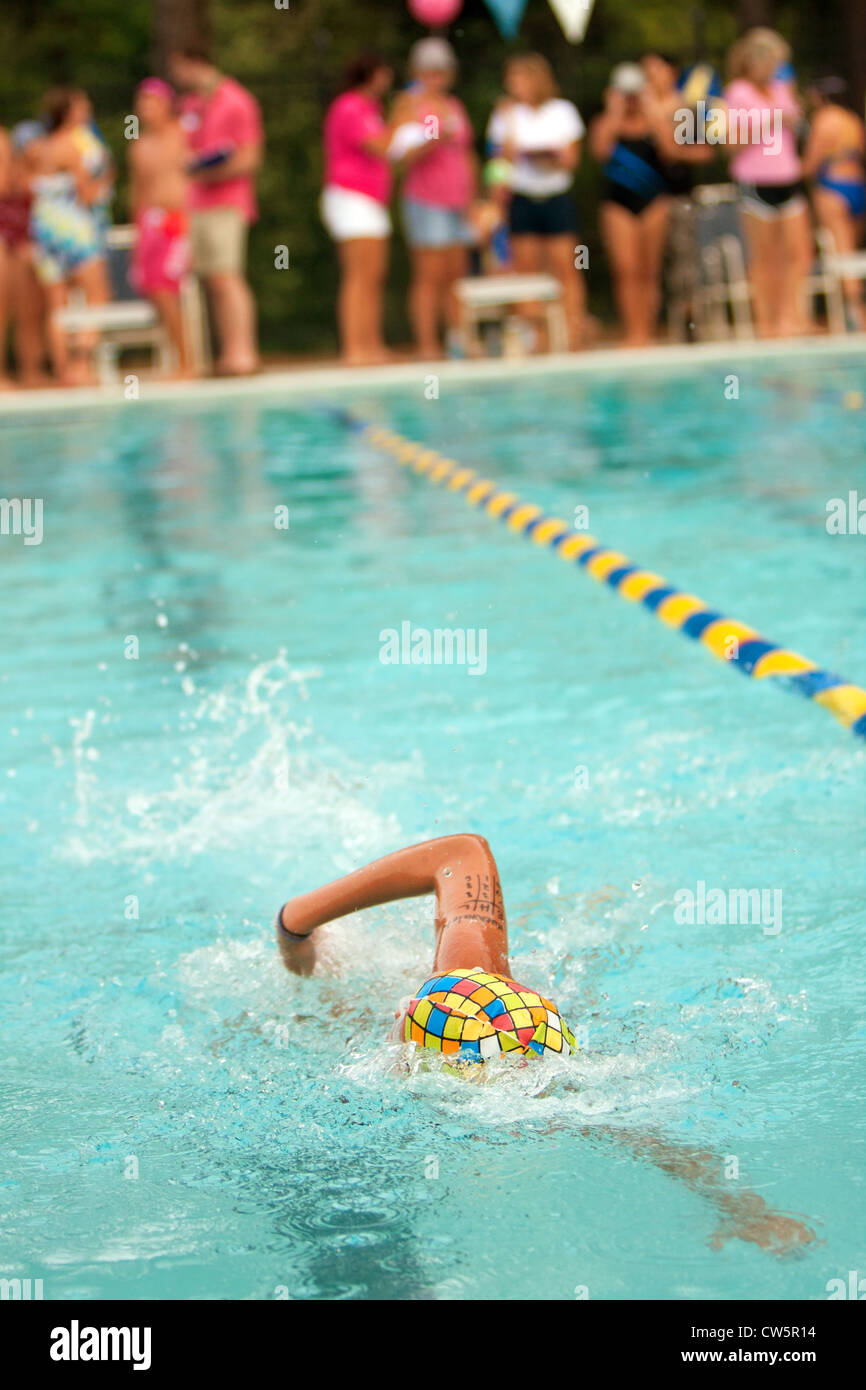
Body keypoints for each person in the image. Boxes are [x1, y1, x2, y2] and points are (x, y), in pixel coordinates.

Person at [275, 832, 817, 1254]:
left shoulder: (523, 1079)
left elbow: (639, 1132)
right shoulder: (466, 971)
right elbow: (460, 851)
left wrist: (740, 1205)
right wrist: (298, 923)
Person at [169, 44, 263, 376]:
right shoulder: (190, 105)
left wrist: (207, 171)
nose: (176, 77)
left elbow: (250, 158)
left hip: (228, 202)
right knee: (212, 279)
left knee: (228, 276)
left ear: (194, 61)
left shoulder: (237, 100)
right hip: (199, 204)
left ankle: (245, 354)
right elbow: (183, 154)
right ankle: (229, 355)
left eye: (178, 68)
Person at [486, 53, 586, 351]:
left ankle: (572, 332)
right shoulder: (507, 115)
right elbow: (499, 163)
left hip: (555, 196)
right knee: (527, 270)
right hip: (523, 197)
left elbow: (571, 160)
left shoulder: (562, 111)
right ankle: (538, 337)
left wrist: (550, 157)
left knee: (566, 267)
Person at [723, 29, 811, 338]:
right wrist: (771, 121)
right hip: (755, 181)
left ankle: (792, 316)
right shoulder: (737, 93)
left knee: (798, 253)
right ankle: (767, 322)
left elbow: (797, 129)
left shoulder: (782, 90)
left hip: (788, 177)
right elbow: (730, 142)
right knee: (764, 257)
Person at [391, 38, 476, 359]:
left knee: (456, 275)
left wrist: (472, 198)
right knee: (429, 275)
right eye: (429, 72)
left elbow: (465, 154)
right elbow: (401, 157)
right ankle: (427, 344)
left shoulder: (454, 105)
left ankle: (458, 342)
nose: (435, 78)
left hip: (457, 200)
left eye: (440, 72)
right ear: (417, 73)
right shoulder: (409, 105)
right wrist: (434, 139)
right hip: (426, 199)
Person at [590, 63, 681, 347]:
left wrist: (652, 110)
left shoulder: (656, 121)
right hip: (618, 204)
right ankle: (633, 332)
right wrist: (614, 113)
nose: (631, 99)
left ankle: (647, 331)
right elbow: (600, 151)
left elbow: (670, 152)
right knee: (626, 269)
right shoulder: (606, 123)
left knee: (649, 270)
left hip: (654, 201)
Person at [28, 88, 110, 384]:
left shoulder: (40, 147)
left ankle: (62, 372)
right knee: (98, 295)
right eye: (82, 106)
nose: (87, 109)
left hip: (43, 228)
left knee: (57, 305)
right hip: (72, 227)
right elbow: (87, 194)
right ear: (70, 112)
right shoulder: (73, 146)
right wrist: (104, 179)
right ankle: (80, 366)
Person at [321, 52, 394, 366]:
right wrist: (402, 122)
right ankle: (353, 349)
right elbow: (379, 145)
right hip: (351, 198)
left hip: (371, 200)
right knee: (358, 275)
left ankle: (373, 345)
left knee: (374, 275)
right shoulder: (349, 106)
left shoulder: (370, 108)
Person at [127, 78, 193, 376]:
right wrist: (138, 233)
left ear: (167, 104)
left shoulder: (185, 135)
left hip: (178, 221)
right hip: (151, 223)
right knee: (154, 290)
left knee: (166, 290)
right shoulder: (140, 146)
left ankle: (185, 362)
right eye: (141, 102)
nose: (144, 108)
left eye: (151, 101)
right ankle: (179, 359)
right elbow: (138, 193)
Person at [802, 75, 866, 330]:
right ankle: (858, 312)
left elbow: (811, 162)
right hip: (857, 187)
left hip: (833, 187)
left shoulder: (823, 119)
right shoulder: (853, 120)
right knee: (853, 254)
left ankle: (857, 316)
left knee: (841, 254)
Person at [0, 122, 48, 387]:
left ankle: (32, 372)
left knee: (30, 313)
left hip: (25, 245)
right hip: (7, 242)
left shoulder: (35, 175)